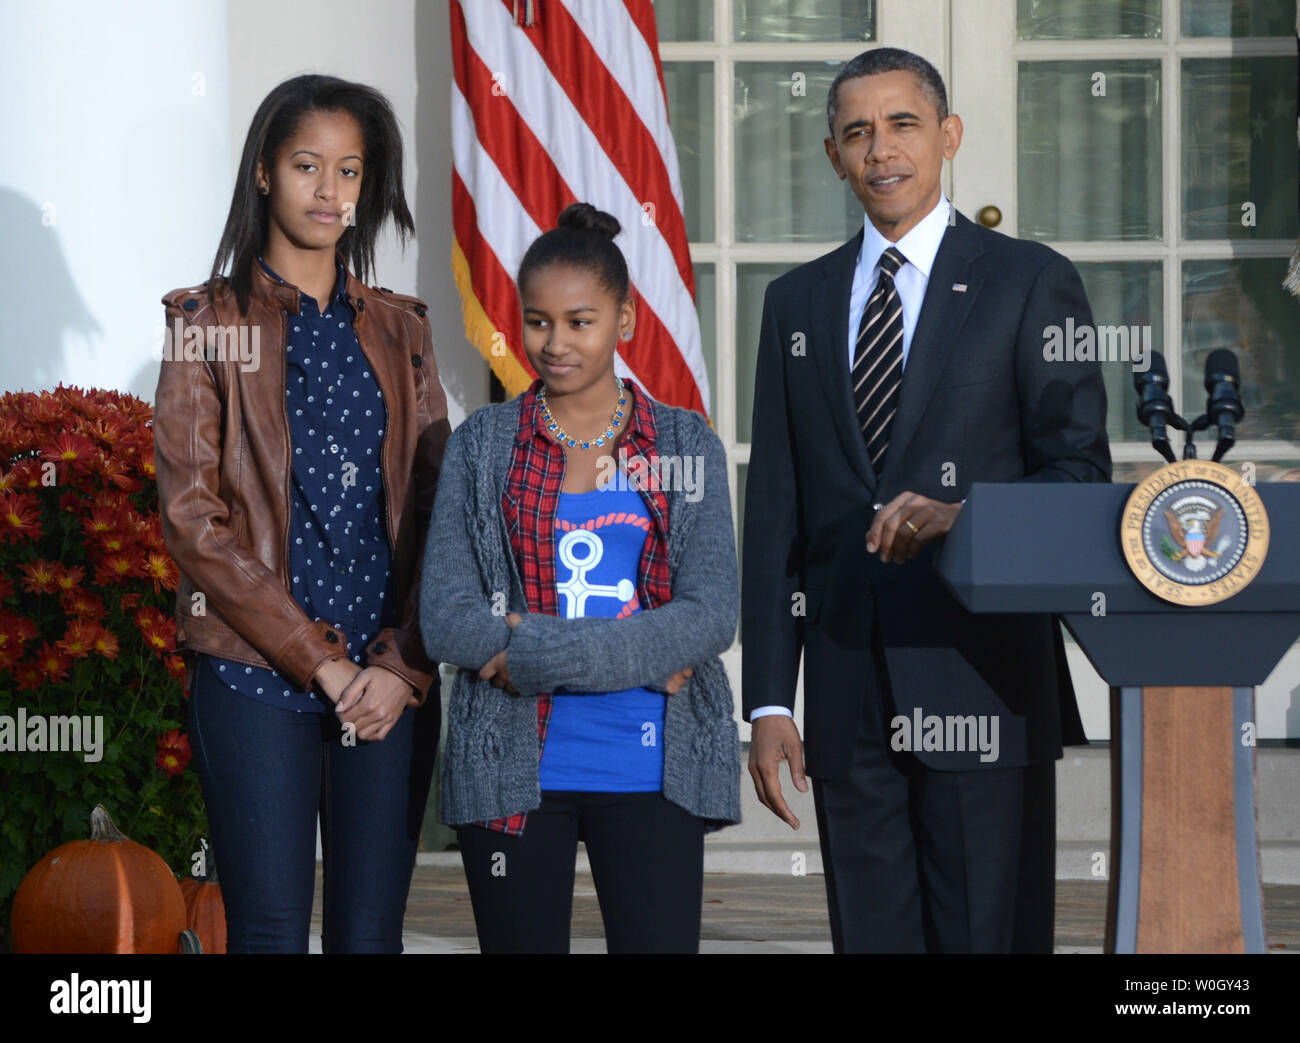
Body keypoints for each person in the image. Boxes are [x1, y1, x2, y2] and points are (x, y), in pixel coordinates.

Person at [742, 47, 1111, 953]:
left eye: (902, 124)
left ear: (948, 135)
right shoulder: (795, 303)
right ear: (833, 154)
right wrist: (769, 701)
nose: (881, 149)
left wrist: (967, 520)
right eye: (857, 132)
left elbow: (1078, 477)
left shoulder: (1029, 281)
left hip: (983, 678)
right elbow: (776, 513)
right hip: (846, 690)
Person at [153, 74, 451, 952]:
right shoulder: (205, 323)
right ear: (263, 172)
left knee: (370, 936)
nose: (330, 191)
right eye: (306, 166)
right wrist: (319, 662)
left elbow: (444, 514)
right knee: (271, 932)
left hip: (387, 682)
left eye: (349, 170)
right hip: (255, 675)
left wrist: (402, 664)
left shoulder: (404, 329)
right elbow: (193, 519)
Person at [420, 202, 740, 954]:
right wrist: (641, 656)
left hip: (653, 765)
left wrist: (530, 651)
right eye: (538, 321)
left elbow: (710, 612)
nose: (555, 343)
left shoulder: (683, 443)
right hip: (512, 764)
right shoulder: (483, 446)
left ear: (624, 321)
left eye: (580, 322)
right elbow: (446, 616)